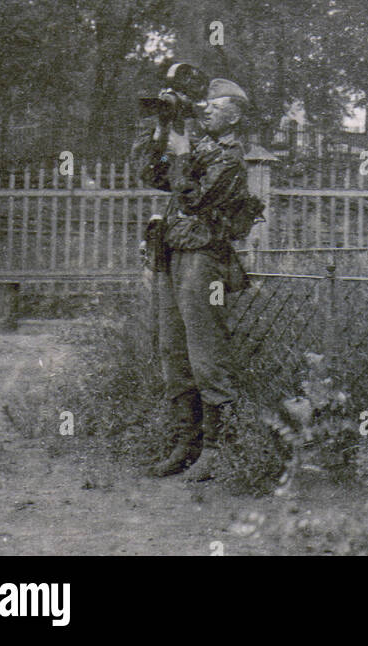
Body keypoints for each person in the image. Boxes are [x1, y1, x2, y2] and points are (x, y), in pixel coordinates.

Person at [133, 70, 264, 480]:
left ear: (235, 117)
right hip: (175, 253)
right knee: (174, 352)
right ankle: (184, 444)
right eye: (204, 105)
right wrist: (163, 130)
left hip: (205, 258)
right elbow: (149, 175)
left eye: (216, 106)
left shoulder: (230, 156)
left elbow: (195, 199)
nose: (206, 110)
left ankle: (216, 449)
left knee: (206, 353)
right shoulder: (200, 147)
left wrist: (184, 152)